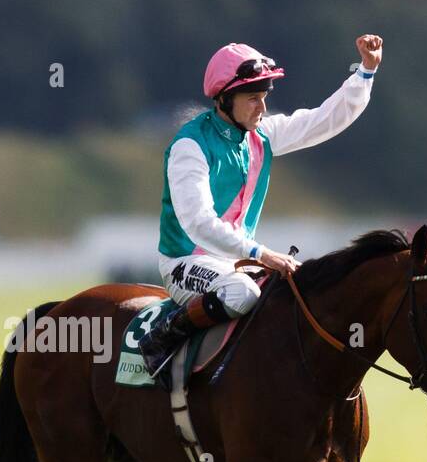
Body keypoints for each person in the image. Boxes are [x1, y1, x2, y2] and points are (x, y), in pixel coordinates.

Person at [137, 35, 383, 383]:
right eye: (253, 98)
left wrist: (365, 73)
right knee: (243, 293)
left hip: (234, 262)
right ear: (224, 99)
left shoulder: (262, 135)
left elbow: (323, 120)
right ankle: (163, 336)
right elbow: (200, 223)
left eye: (264, 98)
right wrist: (263, 254)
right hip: (185, 263)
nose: (262, 108)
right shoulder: (189, 146)